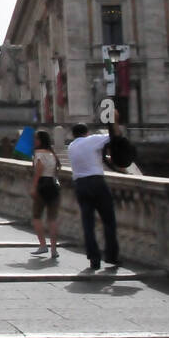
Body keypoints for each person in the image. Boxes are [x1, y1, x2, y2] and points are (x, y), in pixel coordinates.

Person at [68, 111, 122, 271]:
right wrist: (115, 121)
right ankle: (111, 256)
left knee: (88, 223)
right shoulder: (92, 140)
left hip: (80, 185)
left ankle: (94, 258)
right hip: (96, 183)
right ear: (87, 133)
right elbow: (115, 137)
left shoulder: (71, 146)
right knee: (108, 220)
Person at [30, 129, 62, 260]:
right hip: (54, 185)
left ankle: (43, 245)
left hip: (43, 185)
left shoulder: (38, 154)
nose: (34, 141)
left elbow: (39, 170)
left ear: (40, 140)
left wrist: (34, 186)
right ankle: (54, 249)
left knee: (36, 216)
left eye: (36, 139)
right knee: (52, 219)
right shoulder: (52, 154)